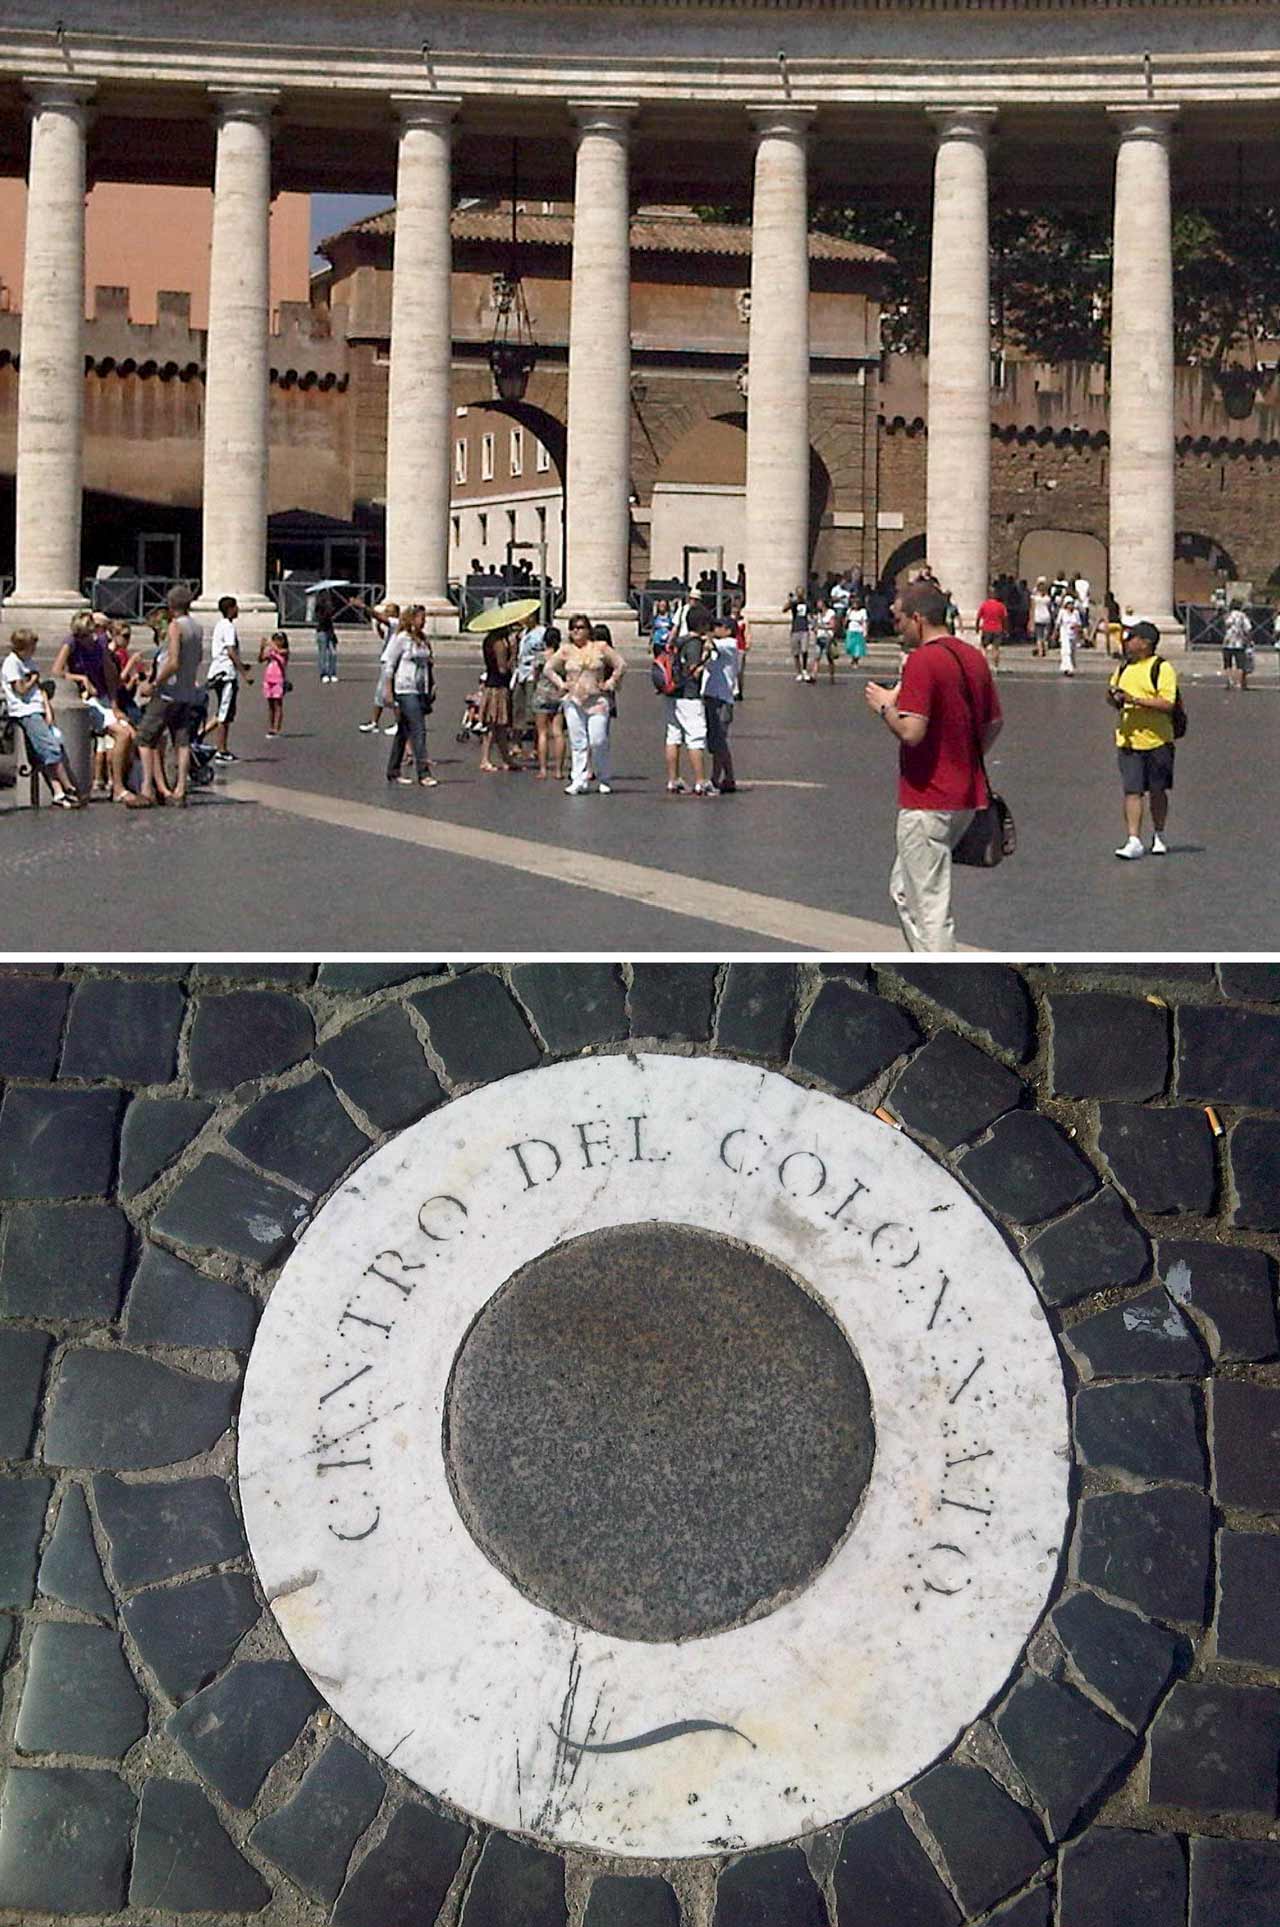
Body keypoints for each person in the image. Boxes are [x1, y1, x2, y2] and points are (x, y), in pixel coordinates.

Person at [864, 579, 1002, 952]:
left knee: (929, 906)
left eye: (898, 620)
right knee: (904, 891)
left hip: (927, 798)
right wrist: (965, 755)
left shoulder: (923, 661)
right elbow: (994, 723)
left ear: (918, 619)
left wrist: (883, 707)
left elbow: (911, 731)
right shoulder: (972, 656)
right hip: (965, 796)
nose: (896, 628)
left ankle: (942, 979)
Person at [51, 611, 137, 803]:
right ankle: (118, 787)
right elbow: (56, 670)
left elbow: (109, 677)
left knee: (131, 733)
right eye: (81, 636)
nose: (84, 640)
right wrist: (81, 678)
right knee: (122, 735)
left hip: (103, 698)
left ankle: (121, 782)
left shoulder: (99, 645)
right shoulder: (71, 642)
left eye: (86, 635)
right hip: (86, 698)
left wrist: (115, 705)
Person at [1108, 620, 1178, 860]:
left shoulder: (1162, 668)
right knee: (1132, 790)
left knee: (1158, 791)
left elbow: (1167, 703)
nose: (1128, 641)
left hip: (1157, 740)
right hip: (1128, 740)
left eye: (1133, 637)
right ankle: (1133, 839)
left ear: (1146, 643)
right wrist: (1114, 698)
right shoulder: (1124, 666)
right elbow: (1113, 694)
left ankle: (1159, 834)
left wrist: (1135, 700)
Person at [133, 582, 204, 807]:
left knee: (144, 737)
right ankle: (181, 788)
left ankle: (147, 788)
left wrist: (154, 682)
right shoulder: (197, 627)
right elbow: (199, 657)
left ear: (171, 604)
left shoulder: (176, 626)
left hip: (168, 693)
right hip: (187, 692)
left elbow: (173, 661)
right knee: (182, 741)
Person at [542, 612, 626, 796]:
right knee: (578, 741)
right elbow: (548, 668)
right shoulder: (566, 650)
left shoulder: (601, 647)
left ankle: (604, 777)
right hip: (574, 700)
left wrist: (610, 683)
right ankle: (578, 779)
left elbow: (620, 664)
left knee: (598, 740)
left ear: (588, 629)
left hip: (597, 699)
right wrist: (561, 684)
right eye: (573, 628)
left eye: (580, 627)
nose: (576, 631)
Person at [1, 629, 83, 808]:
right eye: (32, 647)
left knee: (44, 752)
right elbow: (21, 690)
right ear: (22, 647)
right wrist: (33, 679)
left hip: (36, 708)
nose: (35, 650)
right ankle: (69, 787)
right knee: (51, 749)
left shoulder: (27, 661)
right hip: (25, 711)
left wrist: (47, 710)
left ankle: (58, 792)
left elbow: (39, 690)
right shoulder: (11, 664)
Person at [661, 602, 714, 796]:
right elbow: (694, 671)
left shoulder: (678, 641)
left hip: (672, 694)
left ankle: (673, 780)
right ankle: (701, 781)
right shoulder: (694, 644)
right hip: (689, 695)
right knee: (695, 737)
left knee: (673, 736)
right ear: (701, 625)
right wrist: (706, 657)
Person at [383, 615, 438, 787]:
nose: (424, 621)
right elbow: (389, 664)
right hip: (405, 689)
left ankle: (393, 770)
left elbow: (429, 664)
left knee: (403, 731)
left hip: (421, 689)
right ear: (411, 619)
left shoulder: (423, 639)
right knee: (418, 729)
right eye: (421, 618)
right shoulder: (401, 639)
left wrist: (432, 684)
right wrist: (388, 690)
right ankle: (423, 773)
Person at [202, 596, 253, 762]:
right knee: (225, 713)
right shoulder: (229, 626)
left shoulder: (220, 625)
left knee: (222, 711)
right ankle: (221, 749)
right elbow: (231, 651)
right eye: (236, 607)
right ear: (230, 609)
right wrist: (244, 673)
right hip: (226, 673)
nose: (238, 610)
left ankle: (198, 735)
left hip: (218, 670)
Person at [703, 610, 740, 793]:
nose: (715, 628)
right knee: (717, 741)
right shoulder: (721, 645)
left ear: (728, 630)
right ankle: (726, 778)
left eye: (719, 626)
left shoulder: (730, 644)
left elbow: (710, 645)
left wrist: (705, 635)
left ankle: (718, 778)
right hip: (712, 696)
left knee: (720, 741)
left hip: (722, 699)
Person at [478, 621, 519, 772]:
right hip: (497, 687)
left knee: (500, 726)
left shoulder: (488, 640)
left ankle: (506, 759)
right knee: (493, 725)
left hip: (493, 684)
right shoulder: (499, 644)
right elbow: (503, 668)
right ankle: (485, 759)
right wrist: (513, 654)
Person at [359, 600, 400, 734]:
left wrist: (364, 606)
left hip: (390, 662)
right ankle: (374, 722)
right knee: (379, 694)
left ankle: (399, 723)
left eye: (388, 611)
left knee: (390, 693)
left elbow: (379, 616)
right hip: (385, 661)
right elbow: (385, 638)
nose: (385, 613)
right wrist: (378, 628)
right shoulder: (391, 626)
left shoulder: (396, 622)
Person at [531, 623, 567, 780]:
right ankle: (559, 770)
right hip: (558, 695)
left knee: (542, 733)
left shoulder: (540, 657)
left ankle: (543, 769)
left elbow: (535, 675)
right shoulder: (563, 657)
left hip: (541, 695)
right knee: (558, 733)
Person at [260, 631, 290, 737]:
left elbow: (280, 653)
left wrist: (270, 644)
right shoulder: (272, 652)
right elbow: (261, 659)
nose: (278, 642)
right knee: (270, 705)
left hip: (278, 680)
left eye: (280, 640)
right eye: (276, 639)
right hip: (268, 679)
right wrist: (262, 648)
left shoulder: (284, 651)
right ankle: (271, 726)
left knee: (278, 704)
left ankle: (277, 728)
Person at [1222, 599, 1254, 691]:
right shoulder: (1243, 616)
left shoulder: (1228, 615)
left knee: (1228, 664)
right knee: (1240, 664)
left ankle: (1230, 681)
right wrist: (1249, 639)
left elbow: (1225, 625)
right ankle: (1239, 684)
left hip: (1227, 642)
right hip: (1239, 642)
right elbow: (1248, 629)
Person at [976, 585, 1008, 673]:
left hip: (986, 628)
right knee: (996, 648)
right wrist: (1005, 629)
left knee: (983, 647)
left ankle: (983, 665)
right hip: (997, 629)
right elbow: (1005, 618)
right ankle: (995, 666)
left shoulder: (984, 605)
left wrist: (977, 627)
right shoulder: (1001, 606)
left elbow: (978, 617)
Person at [313, 587, 339, 684]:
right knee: (323, 653)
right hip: (322, 631)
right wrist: (327, 612)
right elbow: (321, 620)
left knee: (333, 653)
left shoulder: (330, 607)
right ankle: (323, 673)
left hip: (330, 631)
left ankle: (332, 672)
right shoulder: (320, 608)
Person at [786, 591, 813, 682]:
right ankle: (798, 672)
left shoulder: (807, 603)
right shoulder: (794, 603)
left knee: (804, 650)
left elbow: (811, 615)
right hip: (795, 629)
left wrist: (813, 624)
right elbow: (784, 609)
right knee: (796, 652)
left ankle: (804, 669)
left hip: (804, 628)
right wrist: (790, 601)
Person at [1055, 594, 1083, 676]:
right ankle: (1069, 669)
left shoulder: (1076, 613)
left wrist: (1076, 628)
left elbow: (1079, 624)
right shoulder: (1062, 612)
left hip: (1073, 635)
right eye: (1069, 604)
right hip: (1064, 634)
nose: (1071, 605)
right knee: (1066, 651)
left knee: (1072, 652)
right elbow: (1058, 623)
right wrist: (1055, 634)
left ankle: (1066, 667)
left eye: (1072, 603)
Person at [844, 595, 869, 667]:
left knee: (858, 648)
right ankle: (853, 658)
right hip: (851, 630)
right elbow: (846, 621)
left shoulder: (863, 611)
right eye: (853, 603)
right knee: (850, 646)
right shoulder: (849, 611)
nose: (855, 605)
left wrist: (865, 631)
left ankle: (856, 661)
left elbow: (865, 621)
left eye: (856, 603)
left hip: (859, 631)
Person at [1031, 577, 1053, 657]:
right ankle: (1045, 651)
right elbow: (1050, 609)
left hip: (1038, 617)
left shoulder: (1035, 597)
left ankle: (1040, 652)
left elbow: (1032, 609)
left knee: (1039, 636)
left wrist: (1031, 621)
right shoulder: (1048, 598)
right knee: (1045, 636)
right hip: (1046, 617)